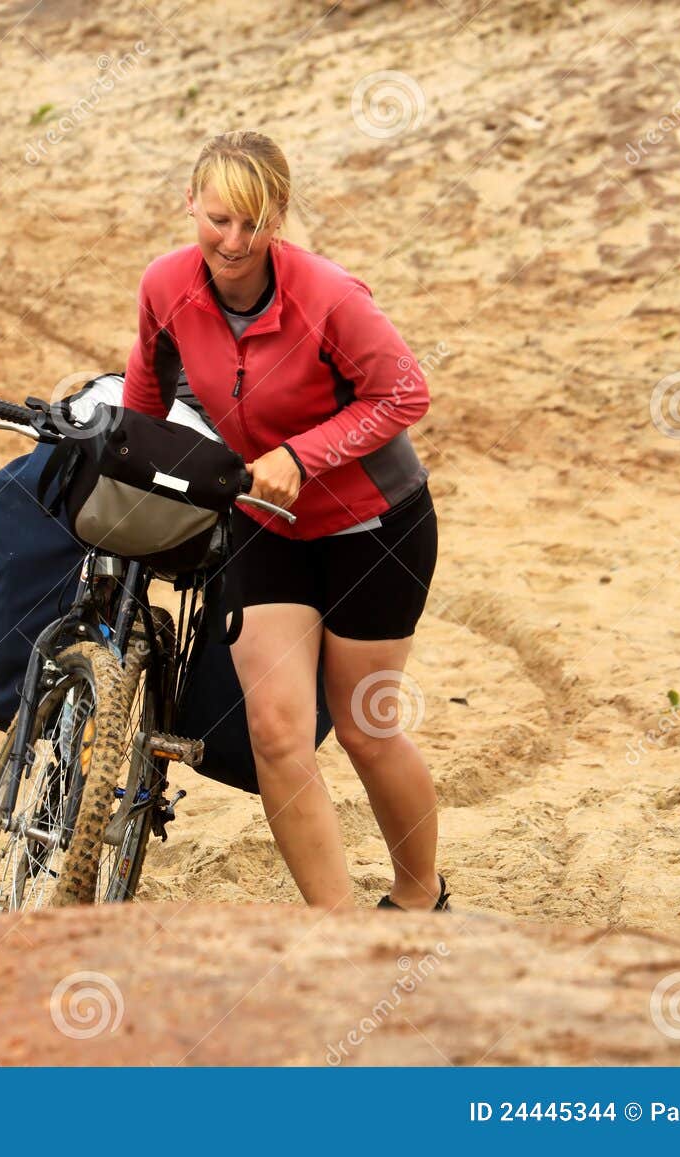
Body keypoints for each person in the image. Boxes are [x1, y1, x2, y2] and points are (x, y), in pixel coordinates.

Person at [122, 130, 448, 913]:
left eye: (253, 223)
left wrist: (303, 455)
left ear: (280, 219)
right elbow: (146, 387)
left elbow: (405, 395)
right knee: (276, 731)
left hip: (374, 527)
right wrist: (131, 470)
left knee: (367, 730)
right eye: (218, 219)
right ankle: (336, 932)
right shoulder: (167, 285)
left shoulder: (329, 296)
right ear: (191, 206)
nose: (233, 242)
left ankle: (416, 894)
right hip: (267, 524)